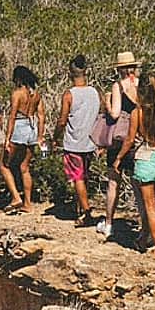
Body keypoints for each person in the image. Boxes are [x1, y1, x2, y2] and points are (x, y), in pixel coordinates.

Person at [114, 74, 155, 259]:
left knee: (149, 207)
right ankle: (143, 237)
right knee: (151, 205)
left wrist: (119, 158)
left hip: (145, 158)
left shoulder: (138, 112)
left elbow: (129, 140)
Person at [99, 52, 144, 239]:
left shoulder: (118, 86)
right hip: (138, 138)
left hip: (120, 139)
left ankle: (109, 224)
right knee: (138, 185)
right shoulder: (142, 84)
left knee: (113, 182)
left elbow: (116, 114)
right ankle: (145, 226)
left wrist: (107, 103)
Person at [55, 55, 100, 226]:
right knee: (84, 176)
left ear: (69, 73)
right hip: (90, 142)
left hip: (74, 143)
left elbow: (62, 120)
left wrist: (55, 137)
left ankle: (86, 211)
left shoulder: (69, 94)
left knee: (77, 178)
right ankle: (82, 208)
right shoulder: (95, 92)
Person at [1, 65, 46, 212]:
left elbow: (12, 116)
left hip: (19, 127)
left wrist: (7, 138)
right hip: (31, 127)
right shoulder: (36, 94)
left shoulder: (17, 94)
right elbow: (41, 116)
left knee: (3, 164)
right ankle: (28, 203)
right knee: (24, 167)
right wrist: (40, 136)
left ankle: (16, 197)